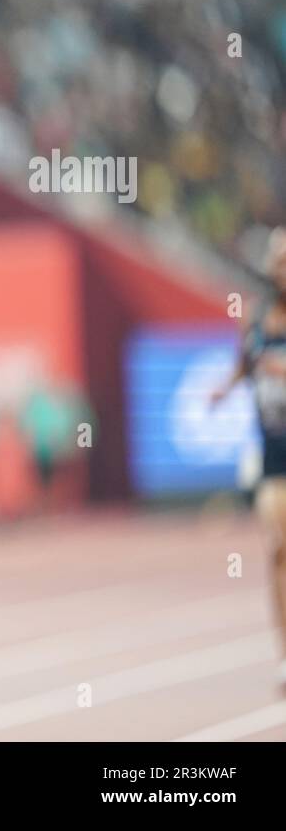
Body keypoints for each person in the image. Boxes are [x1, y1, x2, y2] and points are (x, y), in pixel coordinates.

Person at [212, 227, 286, 687]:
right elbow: (245, 362)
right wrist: (225, 387)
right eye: (279, 261)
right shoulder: (257, 320)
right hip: (274, 457)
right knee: (278, 551)